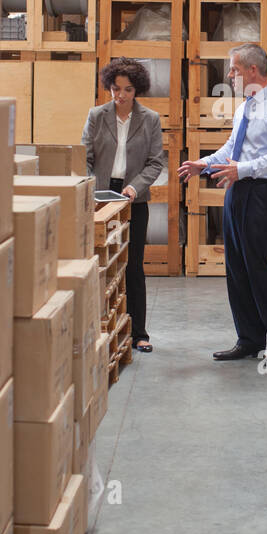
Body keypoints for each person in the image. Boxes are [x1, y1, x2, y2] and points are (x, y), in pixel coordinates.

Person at [177, 42, 267, 366]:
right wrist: (202, 165)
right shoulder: (244, 108)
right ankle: (249, 339)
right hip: (236, 191)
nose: (230, 75)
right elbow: (231, 149)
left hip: (261, 193)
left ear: (252, 70)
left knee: (261, 267)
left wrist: (241, 170)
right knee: (236, 268)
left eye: (234, 69)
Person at [83, 57, 165, 352]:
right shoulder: (96, 116)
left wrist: (135, 187)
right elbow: (85, 157)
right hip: (101, 197)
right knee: (102, 264)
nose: (121, 95)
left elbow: (156, 163)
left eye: (127, 89)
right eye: (116, 88)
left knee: (133, 265)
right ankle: (102, 329)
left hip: (134, 198)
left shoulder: (150, 119)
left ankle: (139, 333)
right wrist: (91, 188)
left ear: (136, 90)